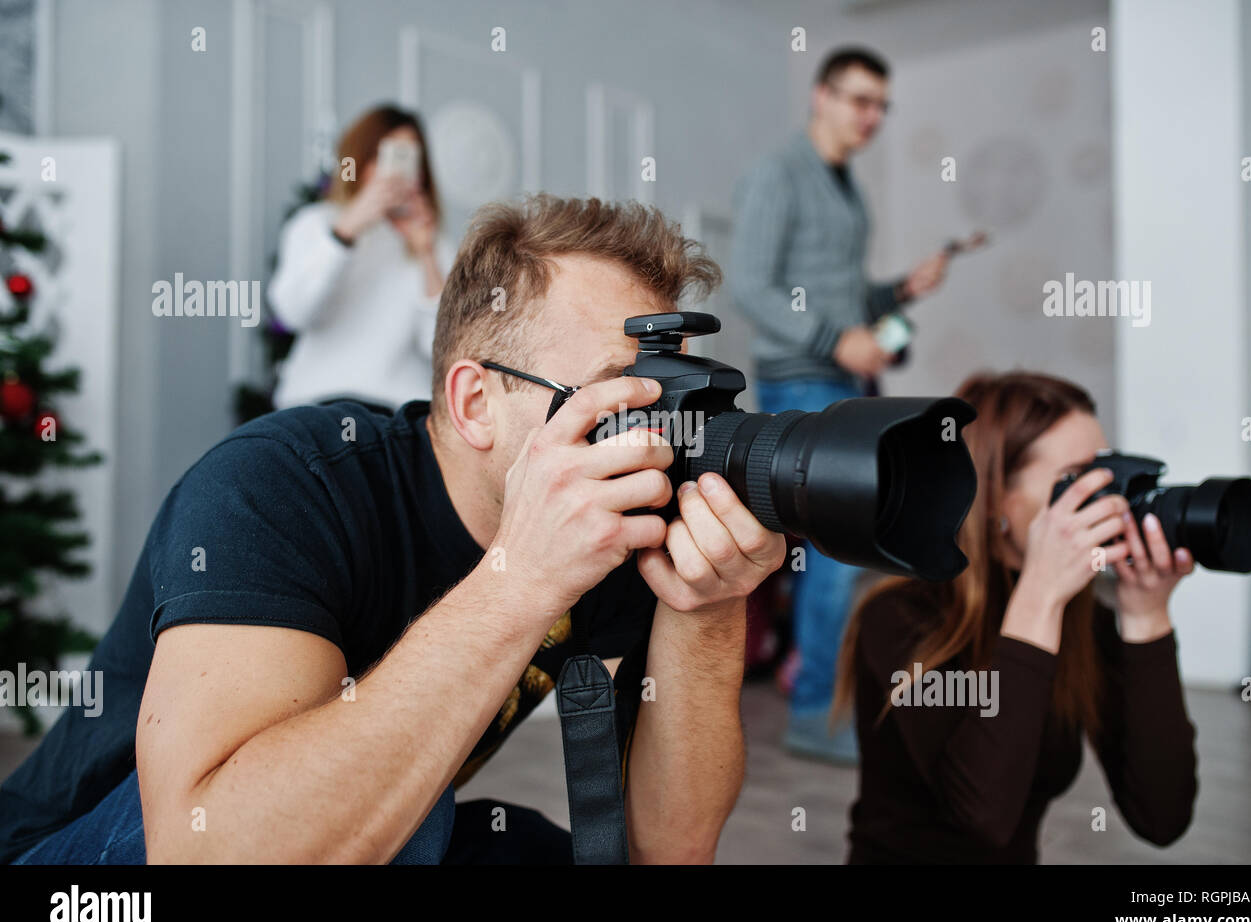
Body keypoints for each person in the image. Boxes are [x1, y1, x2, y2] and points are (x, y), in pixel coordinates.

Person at [0, 195, 787, 865]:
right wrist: (522, 579)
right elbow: (205, 844)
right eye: (621, 397)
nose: (653, 434)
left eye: (668, 401)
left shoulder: (620, 522)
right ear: (476, 401)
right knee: (404, 816)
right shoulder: (286, 481)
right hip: (85, 865)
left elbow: (666, 850)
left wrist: (708, 609)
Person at [835, 371, 1199, 864]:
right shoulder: (900, 617)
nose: (1108, 503)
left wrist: (1146, 617)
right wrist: (1040, 601)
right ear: (993, 499)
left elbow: (1162, 817)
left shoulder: (1080, 621)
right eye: (1078, 481)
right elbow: (984, 814)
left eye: (1107, 476)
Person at [730, 46, 951, 763]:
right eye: (861, 101)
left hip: (839, 380)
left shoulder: (846, 186)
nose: (873, 118)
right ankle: (817, 712)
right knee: (834, 553)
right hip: (800, 380)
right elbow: (752, 286)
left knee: (848, 550)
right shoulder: (778, 174)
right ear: (821, 95)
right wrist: (836, 339)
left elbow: (844, 297)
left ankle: (824, 701)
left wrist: (899, 293)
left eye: (882, 106)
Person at [268, 104, 458, 412]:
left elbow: (442, 347)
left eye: (410, 160)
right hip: (314, 405)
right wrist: (348, 229)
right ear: (361, 162)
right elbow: (294, 312)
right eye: (389, 158)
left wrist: (426, 253)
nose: (398, 173)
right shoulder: (316, 223)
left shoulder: (435, 245)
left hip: (398, 411)